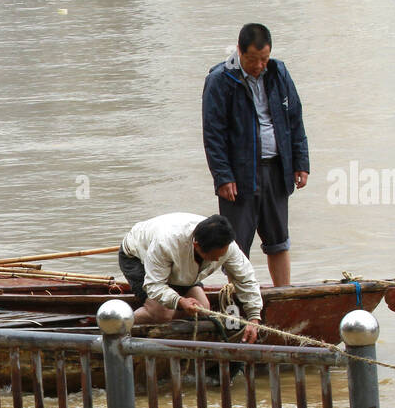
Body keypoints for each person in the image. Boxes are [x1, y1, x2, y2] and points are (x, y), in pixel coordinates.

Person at [202, 23, 309, 287]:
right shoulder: (220, 80)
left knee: (279, 241)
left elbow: (294, 118)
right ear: (239, 51)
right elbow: (213, 133)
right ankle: (238, 301)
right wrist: (223, 177)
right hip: (239, 175)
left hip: (276, 168)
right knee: (235, 246)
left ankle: (284, 296)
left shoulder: (279, 72)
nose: (259, 65)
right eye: (252, 60)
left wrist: (301, 162)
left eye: (264, 59)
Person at [118, 212, 262, 342]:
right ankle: (114, 328)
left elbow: (246, 278)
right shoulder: (166, 243)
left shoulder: (227, 246)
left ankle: (171, 339)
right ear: (197, 246)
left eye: (221, 255)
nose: (218, 260)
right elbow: (154, 285)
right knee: (162, 314)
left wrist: (253, 318)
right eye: (214, 257)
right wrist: (180, 301)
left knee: (202, 308)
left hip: (183, 270)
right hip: (137, 256)